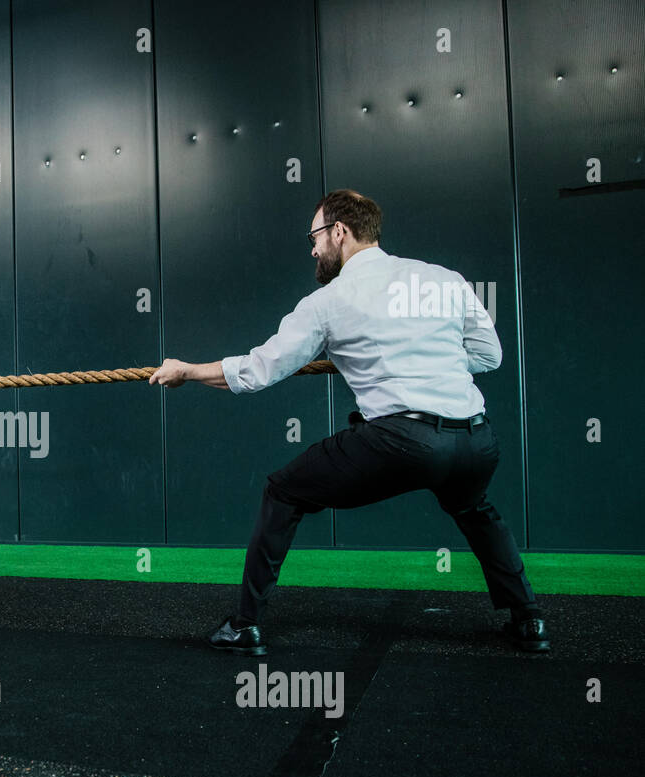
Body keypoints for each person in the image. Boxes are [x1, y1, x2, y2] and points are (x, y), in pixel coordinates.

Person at [149, 189, 546, 655]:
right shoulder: (443, 279)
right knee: (475, 509)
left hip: (405, 442)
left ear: (340, 231)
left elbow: (260, 370)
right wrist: (422, 354)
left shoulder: (329, 300)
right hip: (477, 442)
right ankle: (528, 621)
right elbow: (489, 355)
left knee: (283, 491)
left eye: (315, 235)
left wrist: (188, 371)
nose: (313, 247)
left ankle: (243, 625)